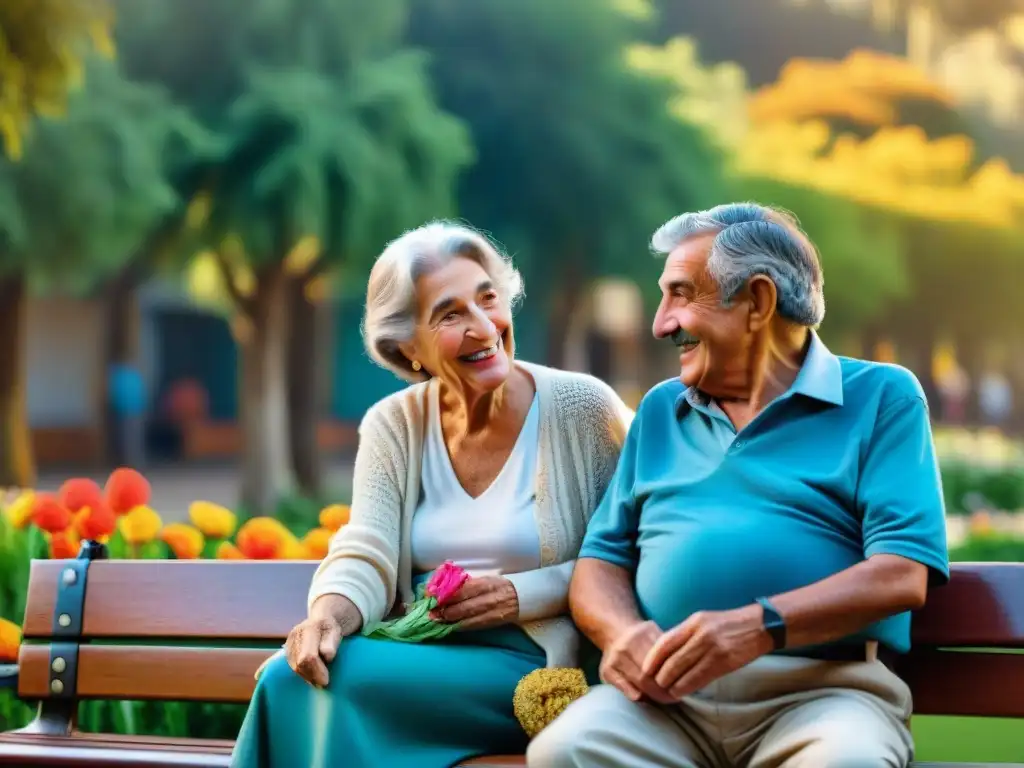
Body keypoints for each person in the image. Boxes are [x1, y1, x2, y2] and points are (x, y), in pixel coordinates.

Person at [528, 203, 950, 768]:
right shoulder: (660, 410)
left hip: (824, 695)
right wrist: (623, 634)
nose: (661, 322)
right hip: (665, 704)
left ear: (757, 301)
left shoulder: (882, 397)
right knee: (566, 750)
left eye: (680, 294)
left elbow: (902, 573)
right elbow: (599, 563)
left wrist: (755, 626)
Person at [232, 222, 632, 768]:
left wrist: (522, 594)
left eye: (488, 299)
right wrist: (328, 614)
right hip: (423, 651)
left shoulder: (583, 408)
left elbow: (630, 550)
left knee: (322, 685)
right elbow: (366, 547)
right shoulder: (393, 425)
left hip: (537, 667)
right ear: (407, 347)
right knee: (294, 675)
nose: (482, 326)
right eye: (451, 314)